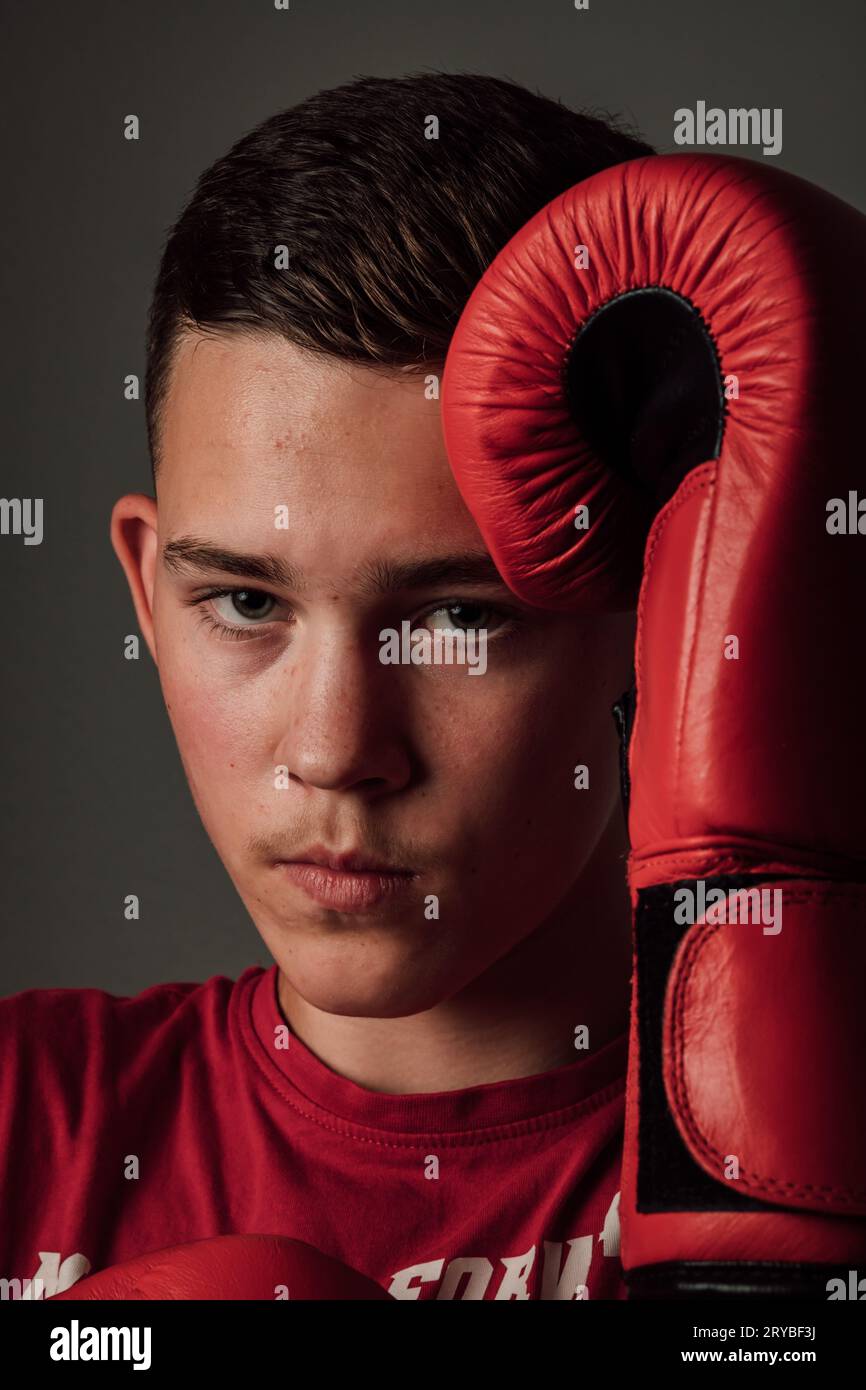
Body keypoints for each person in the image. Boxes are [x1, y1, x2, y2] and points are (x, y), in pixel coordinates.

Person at [0, 72, 654, 1301]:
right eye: (247, 601)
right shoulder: (19, 1123)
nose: (336, 747)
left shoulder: (792, 1176)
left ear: (662, 610)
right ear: (148, 594)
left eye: (459, 617)